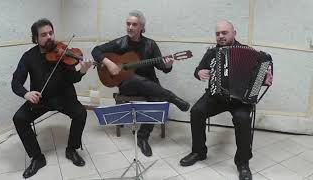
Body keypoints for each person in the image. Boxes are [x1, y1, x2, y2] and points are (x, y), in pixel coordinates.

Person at [179, 20, 273, 180]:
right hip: (216, 96)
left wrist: (264, 80)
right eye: (218, 33)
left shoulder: (251, 53)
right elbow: (198, 70)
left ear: (234, 33)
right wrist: (199, 73)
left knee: (243, 119)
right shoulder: (210, 53)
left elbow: (261, 77)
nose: (220, 36)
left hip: (241, 100)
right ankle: (198, 152)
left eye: (224, 33)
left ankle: (243, 163)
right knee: (196, 112)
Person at [92, 10, 190, 157]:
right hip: (127, 85)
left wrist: (168, 65)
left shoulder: (150, 45)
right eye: (128, 24)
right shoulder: (120, 43)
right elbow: (96, 50)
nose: (130, 27)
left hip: (150, 85)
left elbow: (162, 68)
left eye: (134, 24)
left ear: (142, 28)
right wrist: (109, 63)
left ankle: (143, 138)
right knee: (134, 79)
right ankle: (172, 97)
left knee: (156, 99)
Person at [11, 18, 93, 178]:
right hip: (41, 100)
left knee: (81, 113)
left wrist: (82, 71)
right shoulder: (28, 57)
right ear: (36, 38)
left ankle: (71, 149)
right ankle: (37, 157)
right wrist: (26, 93)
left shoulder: (63, 52)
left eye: (51, 33)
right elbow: (16, 82)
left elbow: (72, 78)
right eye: (44, 34)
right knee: (19, 118)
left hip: (64, 97)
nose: (49, 37)